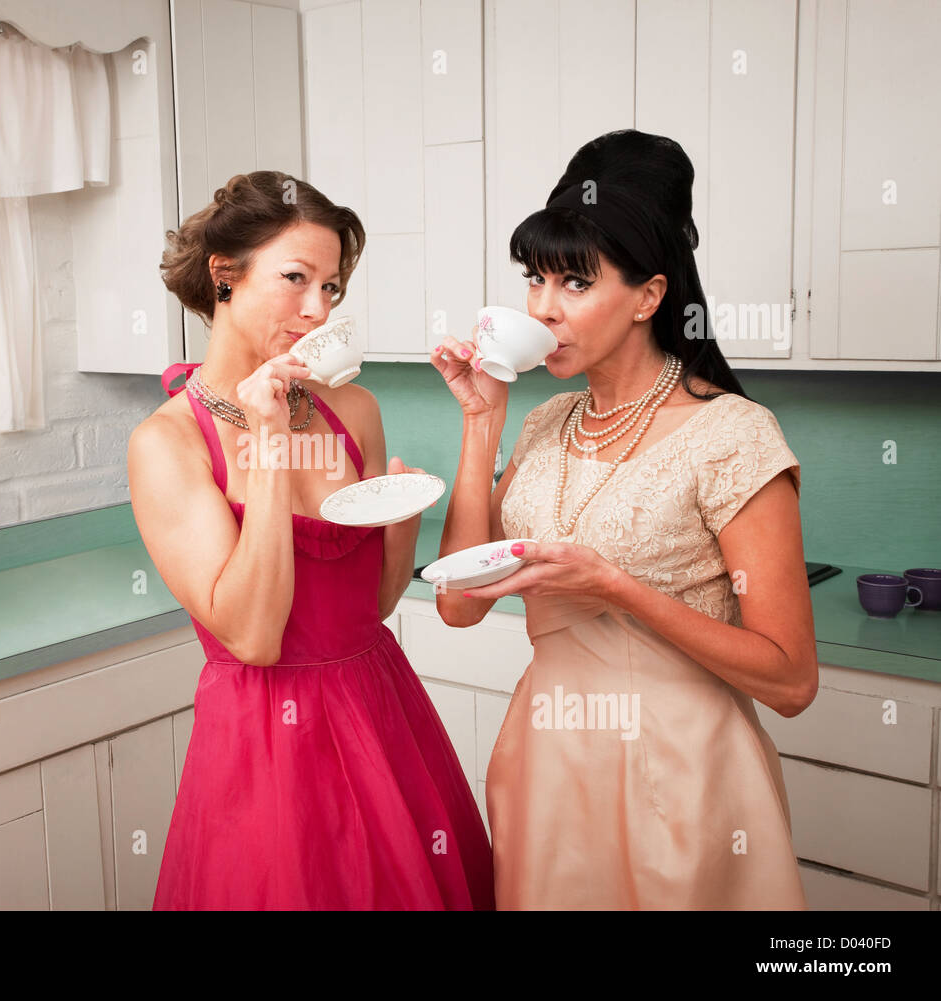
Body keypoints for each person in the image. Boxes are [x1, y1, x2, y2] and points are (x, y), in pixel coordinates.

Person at [431, 131, 817, 909]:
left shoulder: (733, 434)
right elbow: (457, 604)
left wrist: (615, 585)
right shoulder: (543, 425)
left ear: (649, 296)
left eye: (575, 283)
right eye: (535, 280)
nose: (543, 308)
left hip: (683, 770)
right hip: (550, 762)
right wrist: (481, 426)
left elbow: (791, 679)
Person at [129, 170, 494, 909]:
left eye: (331, 287)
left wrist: (404, 522)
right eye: (296, 278)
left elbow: (377, 603)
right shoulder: (168, 444)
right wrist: (263, 441)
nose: (317, 309)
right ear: (223, 275)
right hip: (264, 741)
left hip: (381, 709)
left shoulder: (351, 409)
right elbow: (256, 636)